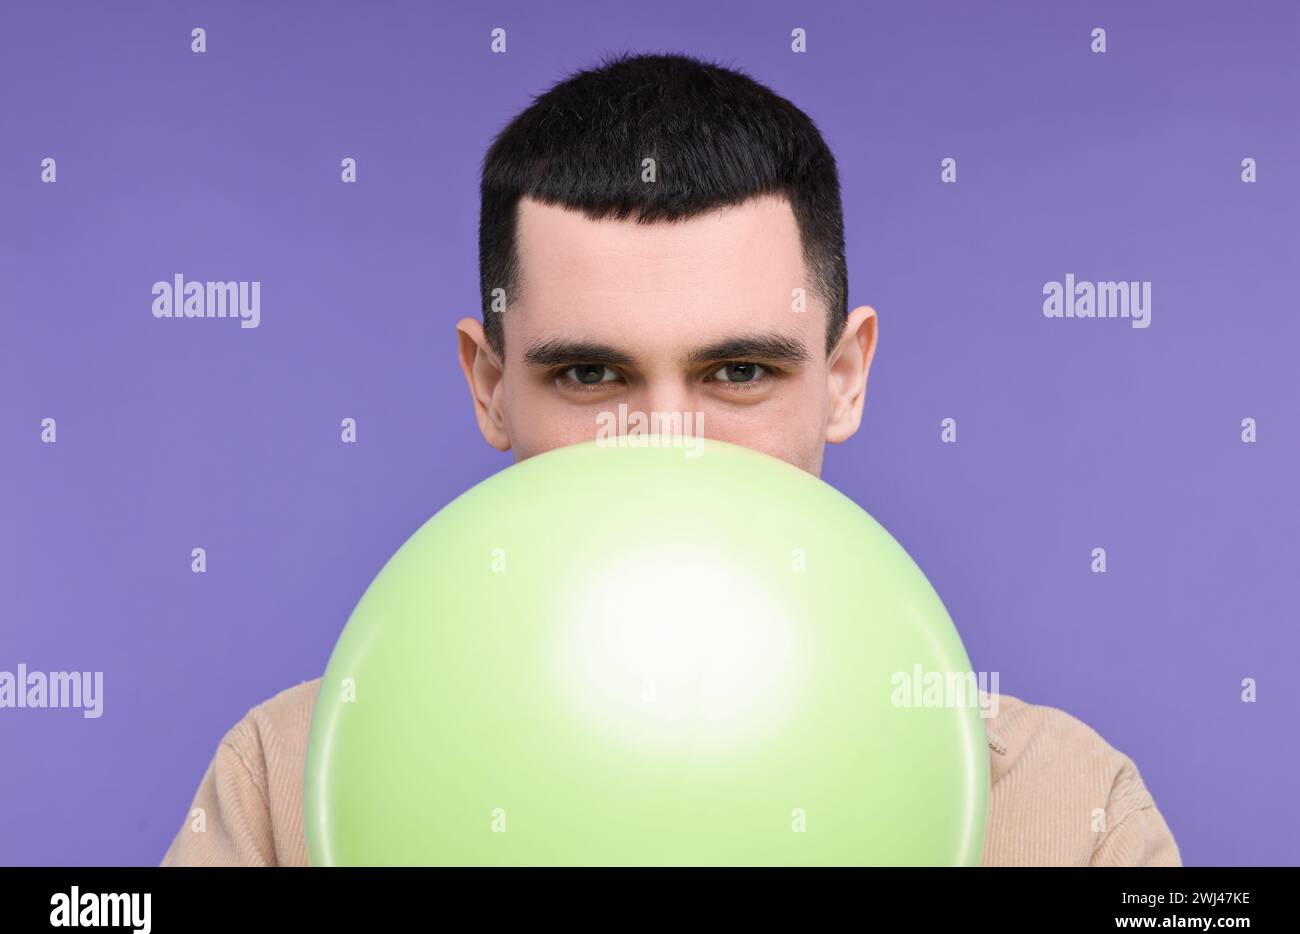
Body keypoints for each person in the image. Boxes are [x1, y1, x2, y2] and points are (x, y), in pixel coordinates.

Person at [162, 52, 1180, 867]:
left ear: (843, 377)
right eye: (591, 375)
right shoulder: (290, 777)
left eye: (738, 369)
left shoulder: (1069, 808)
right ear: (489, 383)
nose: (663, 448)